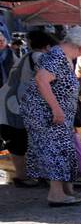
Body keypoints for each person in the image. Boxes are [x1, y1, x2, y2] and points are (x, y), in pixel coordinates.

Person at [21, 25, 81, 206]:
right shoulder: (56, 56)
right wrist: (56, 109)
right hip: (46, 113)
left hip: (56, 113)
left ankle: (67, 190)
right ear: (80, 46)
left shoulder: (64, 57)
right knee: (56, 150)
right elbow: (42, 79)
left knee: (65, 149)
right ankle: (56, 195)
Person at [0, 30, 55, 188]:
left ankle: (23, 176)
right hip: (15, 105)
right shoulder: (38, 57)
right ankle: (26, 176)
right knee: (20, 138)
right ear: (48, 46)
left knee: (18, 140)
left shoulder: (25, 57)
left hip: (9, 102)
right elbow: (46, 80)